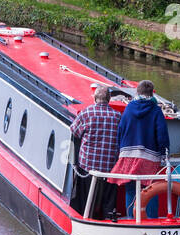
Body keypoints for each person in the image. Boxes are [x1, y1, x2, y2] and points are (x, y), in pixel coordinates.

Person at [109, 81, 171, 211]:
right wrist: (165, 154)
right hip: (149, 157)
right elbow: (162, 135)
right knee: (150, 190)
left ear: (137, 92)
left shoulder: (129, 108)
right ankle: (152, 220)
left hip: (128, 155)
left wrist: (121, 151)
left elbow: (120, 130)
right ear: (151, 92)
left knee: (131, 189)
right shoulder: (156, 110)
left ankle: (132, 219)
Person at [70, 86, 121, 219]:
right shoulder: (117, 116)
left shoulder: (86, 113)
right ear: (109, 99)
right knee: (109, 200)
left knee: (87, 199)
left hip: (88, 166)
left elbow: (74, 131)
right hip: (110, 167)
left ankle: (87, 218)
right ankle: (108, 219)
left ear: (94, 98)